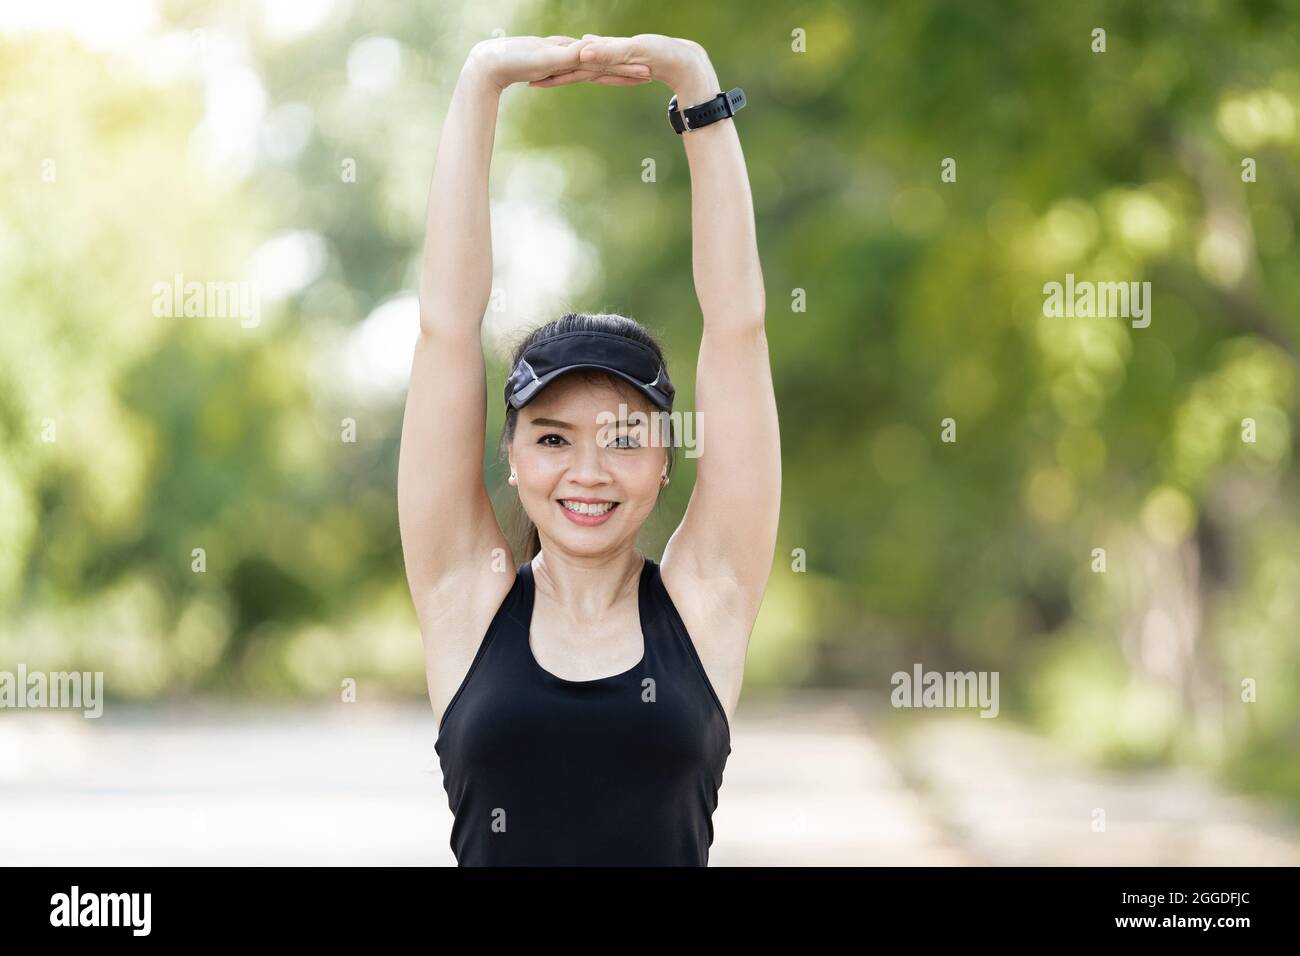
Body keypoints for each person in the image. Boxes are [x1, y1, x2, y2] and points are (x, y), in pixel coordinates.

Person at [398, 33, 779, 865]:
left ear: (667, 457)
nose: (588, 471)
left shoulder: (704, 602)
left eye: (624, 438)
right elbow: (444, 330)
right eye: (553, 438)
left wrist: (699, 92)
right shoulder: (468, 600)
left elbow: (738, 330)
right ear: (511, 455)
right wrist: (480, 83)